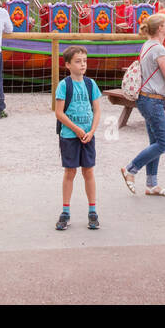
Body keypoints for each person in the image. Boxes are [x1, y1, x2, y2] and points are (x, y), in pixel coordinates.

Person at [120, 13, 165, 197]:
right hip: (152, 100)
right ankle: (131, 169)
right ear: (160, 28)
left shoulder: (147, 45)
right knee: (164, 142)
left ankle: (152, 184)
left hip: (146, 99)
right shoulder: (159, 50)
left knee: (156, 142)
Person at [54, 46, 102, 231]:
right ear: (67, 64)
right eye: (77, 61)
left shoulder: (91, 84)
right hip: (69, 136)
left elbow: (97, 110)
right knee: (70, 171)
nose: (82, 65)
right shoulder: (64, 85)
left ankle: (92, 210)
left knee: (88, 171)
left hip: (88, 136)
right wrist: (76, 130)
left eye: (84, 61)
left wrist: (91, 131)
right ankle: (65, 211)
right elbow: (59, 112)